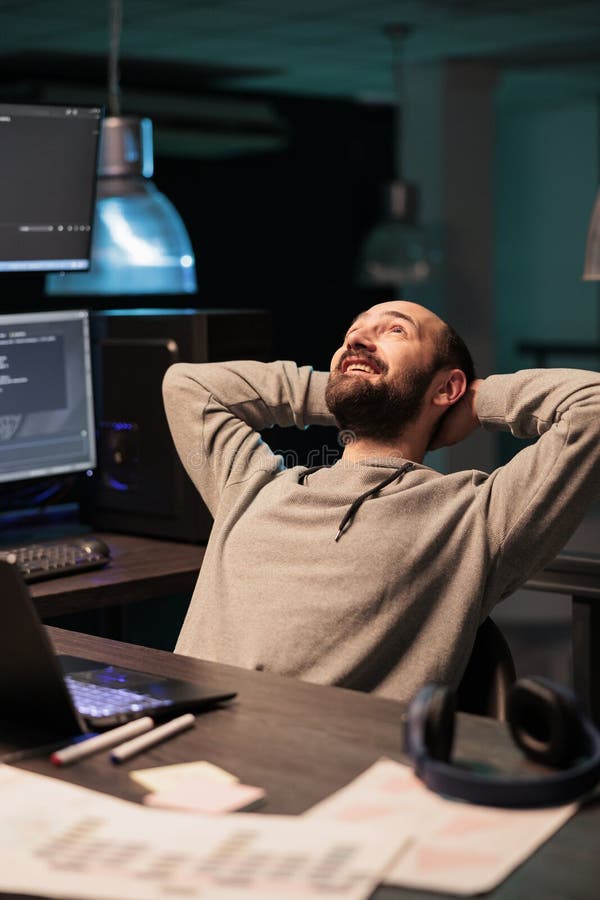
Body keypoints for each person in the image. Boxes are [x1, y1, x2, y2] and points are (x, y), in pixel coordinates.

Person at [162, 300, 600, 702]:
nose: (356, 338)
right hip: (172, 735)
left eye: (395, 330)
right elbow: (188, 385)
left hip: (312, 755)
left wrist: (475, 401)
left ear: (447, 387)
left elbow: (591, 408)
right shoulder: (250, 486)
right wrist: (343, 387)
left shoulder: (475, 517)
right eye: (353, 332)